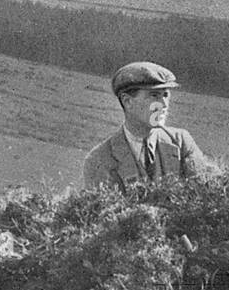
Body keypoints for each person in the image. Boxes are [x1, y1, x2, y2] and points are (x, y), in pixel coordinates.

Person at [84, 61, 207, 192]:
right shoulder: (100, 159)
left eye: (165, 95)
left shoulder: (181, 142)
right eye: (154, 95)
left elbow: (202, 193)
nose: (164, 104)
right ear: (128, 102)